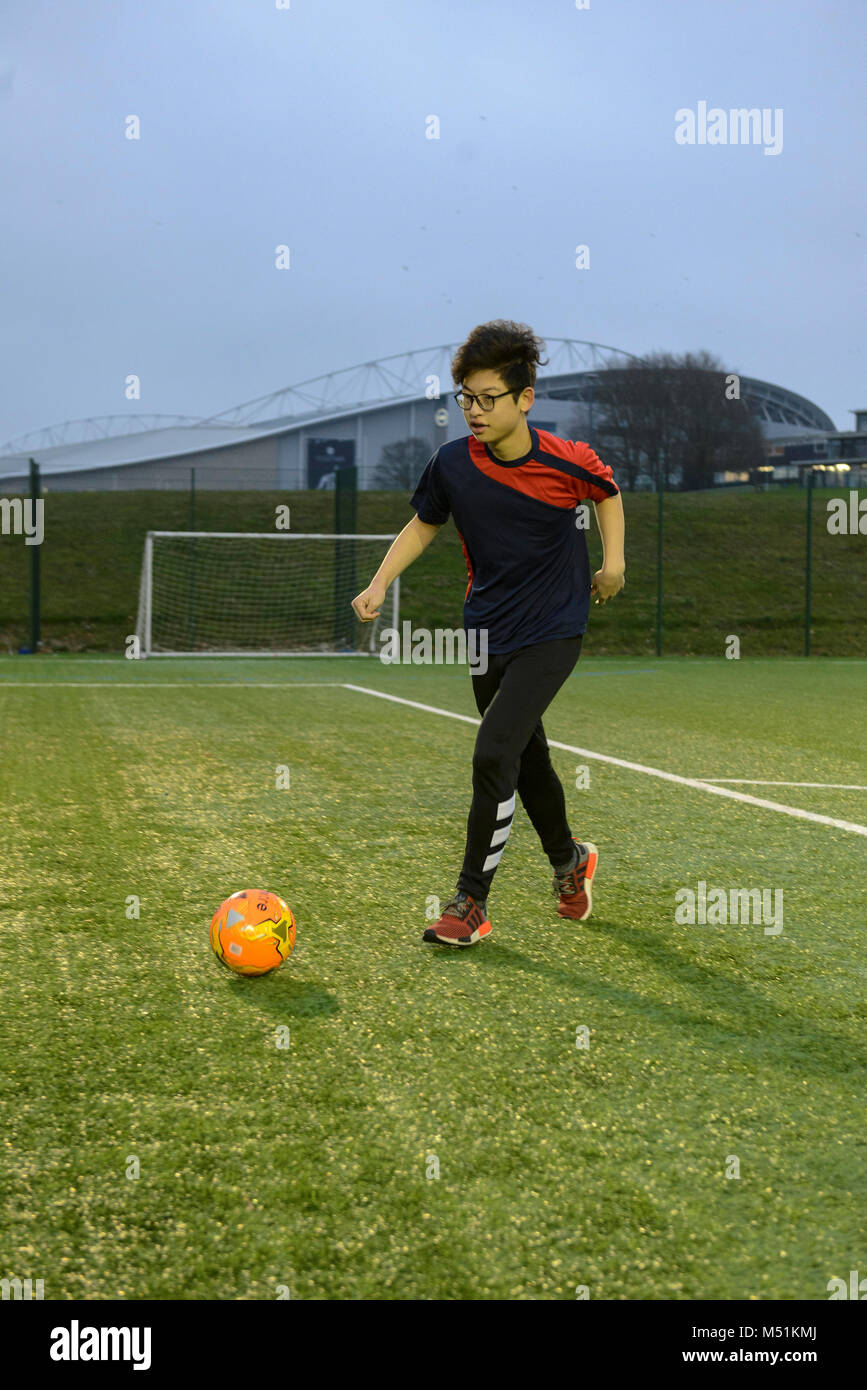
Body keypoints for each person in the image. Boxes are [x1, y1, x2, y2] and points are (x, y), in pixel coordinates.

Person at [351, 320, 625, 946]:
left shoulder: (565, 458)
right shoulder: (451, 464)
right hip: (486, 631)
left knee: (492, 751)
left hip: (554, 627)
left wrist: (614, 563)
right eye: (465, 398)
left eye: (487, 399)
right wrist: (379, 582)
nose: (473, 411)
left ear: (525, 398)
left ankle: (470, 903)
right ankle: (570, 862)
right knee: (525, 757)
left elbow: (606, 492)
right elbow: (423, 525)